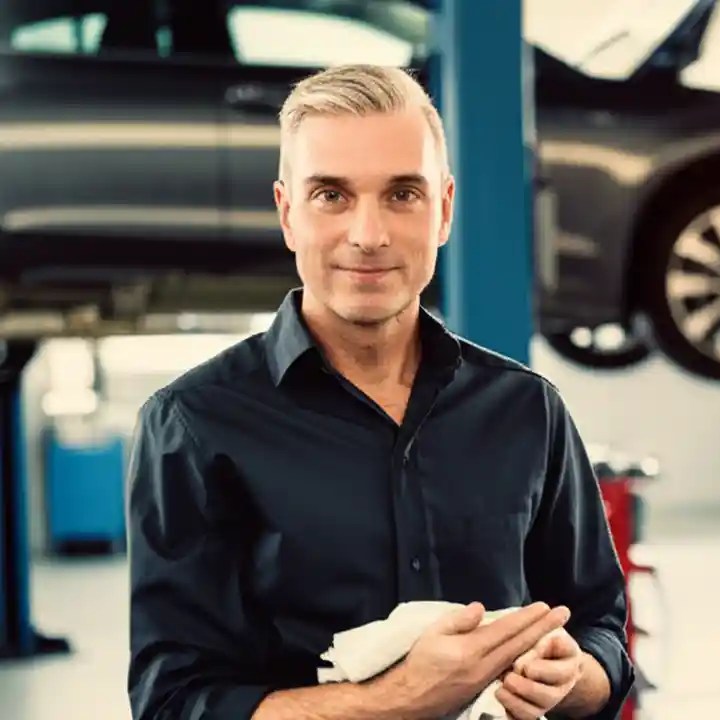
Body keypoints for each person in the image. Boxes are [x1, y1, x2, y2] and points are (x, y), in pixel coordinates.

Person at [126, 64, 633, 720]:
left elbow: (601, 631)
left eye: (402, 194)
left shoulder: (527, 411)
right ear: (287, 213)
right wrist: (399, 700)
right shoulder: (193, 427)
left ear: (444, 210)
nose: (369, 235)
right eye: (332, 195)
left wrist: (574, 678)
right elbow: (175, 704)